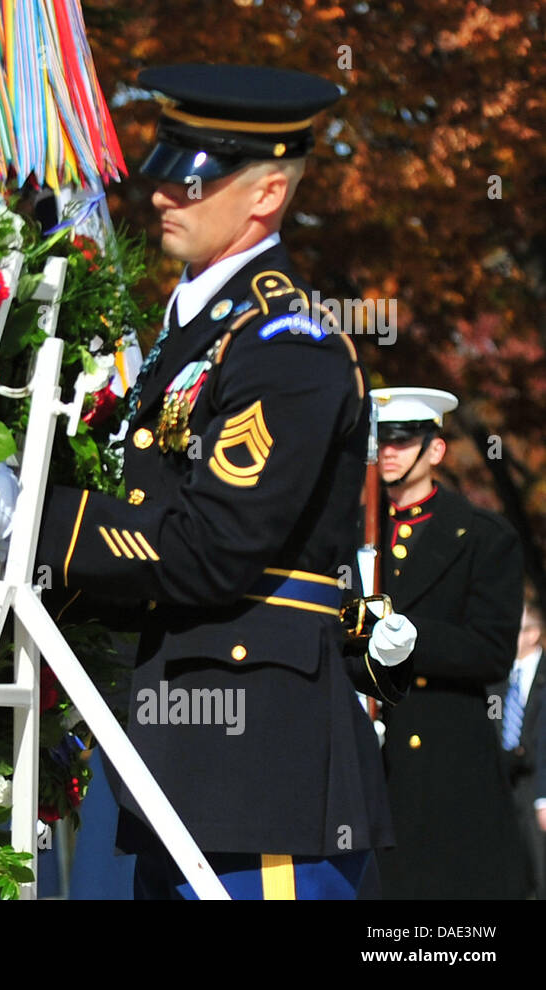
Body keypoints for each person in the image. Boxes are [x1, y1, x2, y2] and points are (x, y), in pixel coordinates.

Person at [37, 63, 414, 899]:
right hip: (188, 760)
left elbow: (211, 549)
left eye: (194, 176)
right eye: (165, 169)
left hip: (261, 770)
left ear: (266, 194)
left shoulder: (288, 346)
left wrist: (35, 518)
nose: (165, 195)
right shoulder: (196, 332)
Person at [367, 387, 527, 897]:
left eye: (402, 440)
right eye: (380, 441)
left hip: (446, 755)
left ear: (434, 449)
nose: (387, 450)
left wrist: (415, 639)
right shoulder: (350, 533)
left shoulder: (482, 535)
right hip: (367, 751)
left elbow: (491, 650)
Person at [497, 599, 546, 897]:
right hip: (505, 784)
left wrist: (543, 796)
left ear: (533, 634)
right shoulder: (499, 676)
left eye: (514, 630)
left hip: (536, 789)